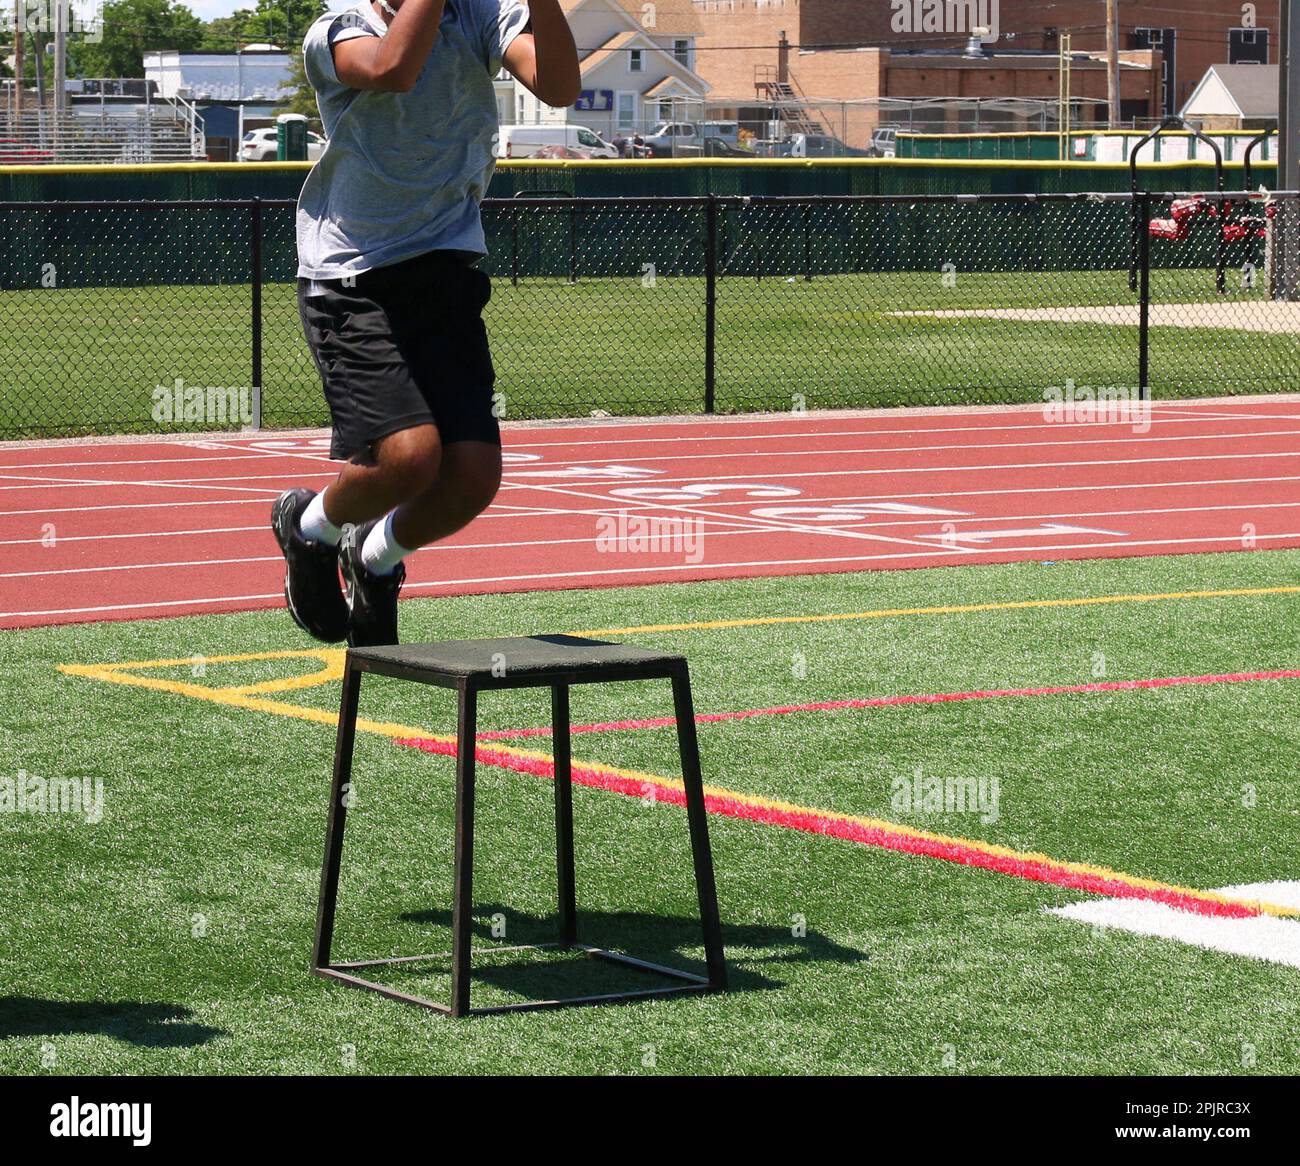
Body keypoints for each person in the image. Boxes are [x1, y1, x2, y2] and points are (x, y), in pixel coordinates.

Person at [272, 0, 580, 647]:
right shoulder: (338, 29)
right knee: (411, 458)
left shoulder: (479, 13)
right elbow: (394, 69)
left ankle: (374, 557)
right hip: (353, 278)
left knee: (472, 477)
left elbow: (558, 87)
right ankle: (310, 528)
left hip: (443, 271)